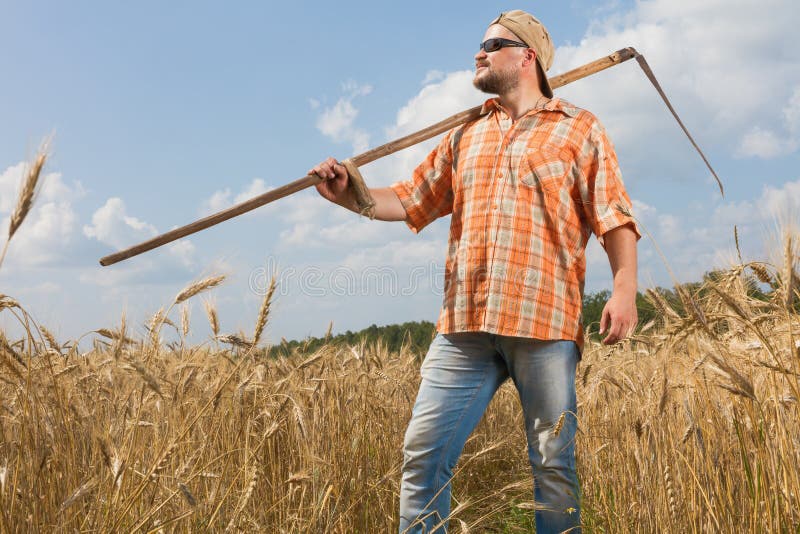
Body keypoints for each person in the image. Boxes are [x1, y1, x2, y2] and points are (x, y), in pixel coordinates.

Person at [311, 9, 639, 533]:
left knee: (553, 466)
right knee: (423, 455)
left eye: (491, 45)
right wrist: (350, 195)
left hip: (544, 323)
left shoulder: (579, 129)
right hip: (464, 326)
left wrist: (624, 290)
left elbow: (613, 215)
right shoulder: (466, 134)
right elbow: (409, 199)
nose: (478, 53)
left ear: (527, 56)